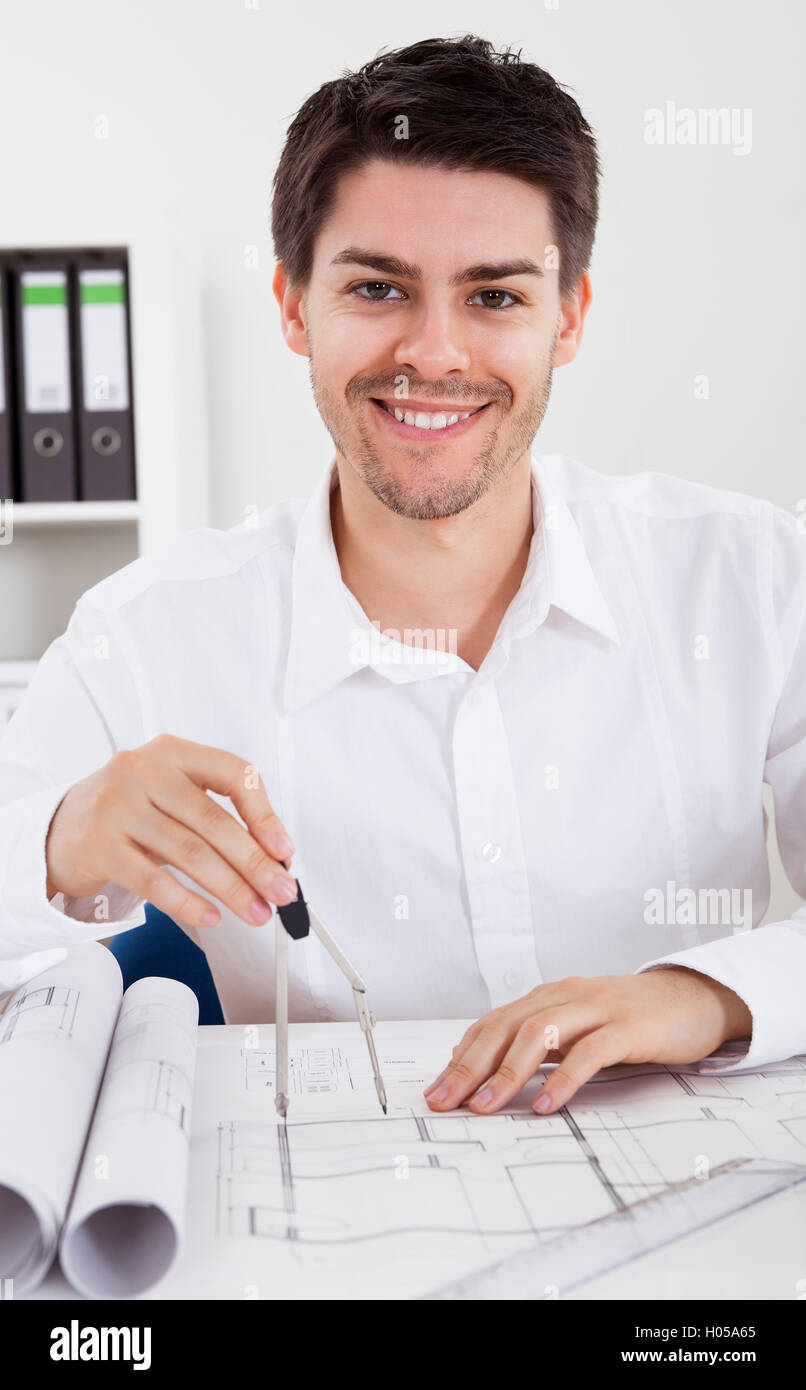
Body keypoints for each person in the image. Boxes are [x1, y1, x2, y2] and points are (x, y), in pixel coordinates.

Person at [1, 35, 804, 1119]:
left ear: (566, 317)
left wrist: (706, 993)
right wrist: (55, 843)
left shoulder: (747, 579)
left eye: (494, 297)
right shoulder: (144, 636)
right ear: (292, 305)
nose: (433, 353)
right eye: (379, 287)